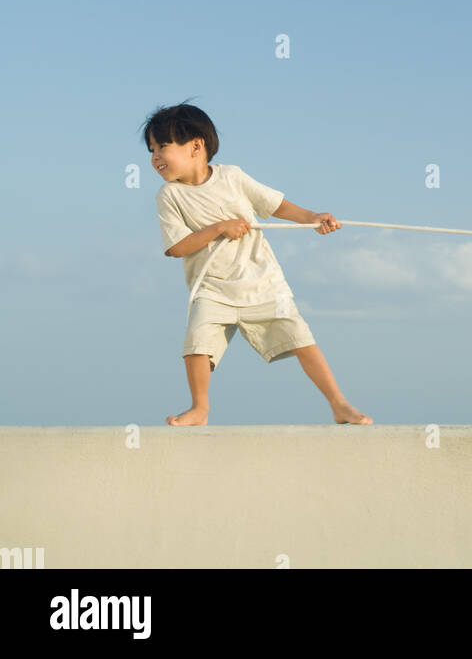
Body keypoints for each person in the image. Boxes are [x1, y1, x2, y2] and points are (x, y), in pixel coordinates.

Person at [141, 100, 372, 427]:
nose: (155, 157)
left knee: (301, 339)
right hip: (213, 288)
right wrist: (220, 228)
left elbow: (275, 204)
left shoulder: (232, 177)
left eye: (163, 146)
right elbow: (177, 248)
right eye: (151, 150)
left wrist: (312, 218)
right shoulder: (169, 196)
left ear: (196, 146)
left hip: (261, 282)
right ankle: (200, 409)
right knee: (197, 343)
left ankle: (339, 404)